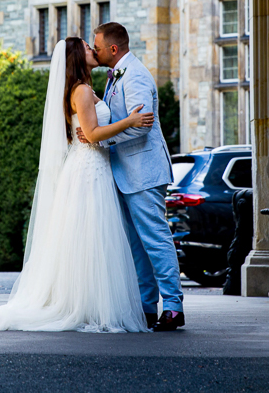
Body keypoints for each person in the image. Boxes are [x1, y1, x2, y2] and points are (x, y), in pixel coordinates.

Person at [0, 37, 155, 333]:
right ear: (78, 56)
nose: (93, 50)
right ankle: (87, 306)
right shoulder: (80, 90)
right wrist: (130, 121)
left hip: (94, 167)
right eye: (87, 47)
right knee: (91, 239)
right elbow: (92, 134)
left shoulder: (84, 89)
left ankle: (93, 303)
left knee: (92, 241)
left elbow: (91, 131)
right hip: (89, 169)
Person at [78, 22, 185, 331]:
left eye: (96, 46)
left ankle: (174, 307)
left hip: (144, 171)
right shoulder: (115, 76)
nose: (94, 51)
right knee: (136, 244)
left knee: (154, 238)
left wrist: (100, 139)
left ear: (113, 49)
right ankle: (147, 306)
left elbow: (141, 126)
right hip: (124, 172)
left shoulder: (135, 74)